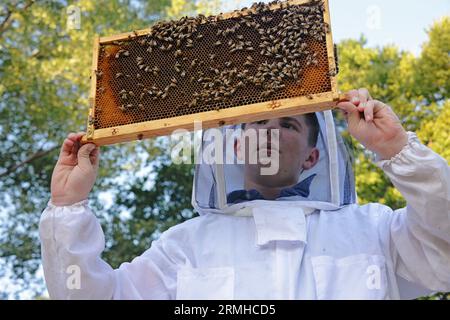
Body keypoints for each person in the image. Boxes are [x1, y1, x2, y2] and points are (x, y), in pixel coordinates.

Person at [40, 88, 450, 299]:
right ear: (237, 146)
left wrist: (398, 149)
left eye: (288, 125)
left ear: (311, 157)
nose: (270, 132)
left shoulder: (373, 229)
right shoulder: (185, 245)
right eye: (258, 124)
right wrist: (67, 209)